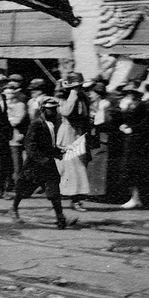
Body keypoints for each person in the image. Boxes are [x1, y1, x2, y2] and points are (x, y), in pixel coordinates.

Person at [11, 97, 67, 229]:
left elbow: (49, 144)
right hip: (34, 164)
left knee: (54, 189)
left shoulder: (52, 123)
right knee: (24, 188)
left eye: (55, 109)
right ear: (43, 109)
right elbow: (30, 145)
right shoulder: (36, 123)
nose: (54, 111)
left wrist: (56, 152)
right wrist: (41, 159)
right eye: (50, 109)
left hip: (47, 162)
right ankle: (13, 208)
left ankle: (60, 217)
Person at [56, 72, 92, 212]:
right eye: (76, 86)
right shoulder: (63, 99)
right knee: (66, 167)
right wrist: (73, 94)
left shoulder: (83, 98)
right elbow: (65, 112)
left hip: (79, 134)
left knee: (78, 167)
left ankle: (76, 199)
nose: (79, 88)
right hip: (67, 133)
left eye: (80, 85)